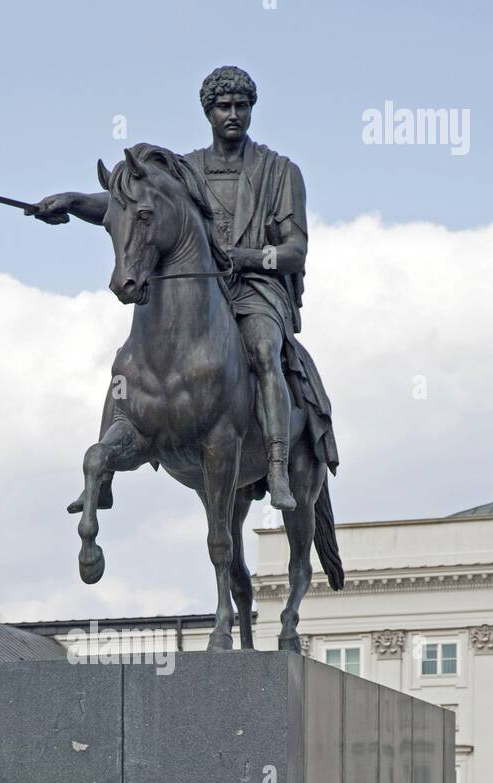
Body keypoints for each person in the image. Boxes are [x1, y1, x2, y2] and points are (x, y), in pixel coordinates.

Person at [30, 64, 338, 513]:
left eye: (240, 106)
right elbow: (131, 206)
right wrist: (72, 202)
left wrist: (247, 258)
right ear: (207, 113)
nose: (232, 114)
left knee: (262, 349)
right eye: (222, 107)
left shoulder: (280, 172)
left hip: (254, 290)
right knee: (130, 360)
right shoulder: (186, 171)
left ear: (252, 109)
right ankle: (107, 467)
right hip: (191, 293)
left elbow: (294, 252)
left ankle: (275, 464)